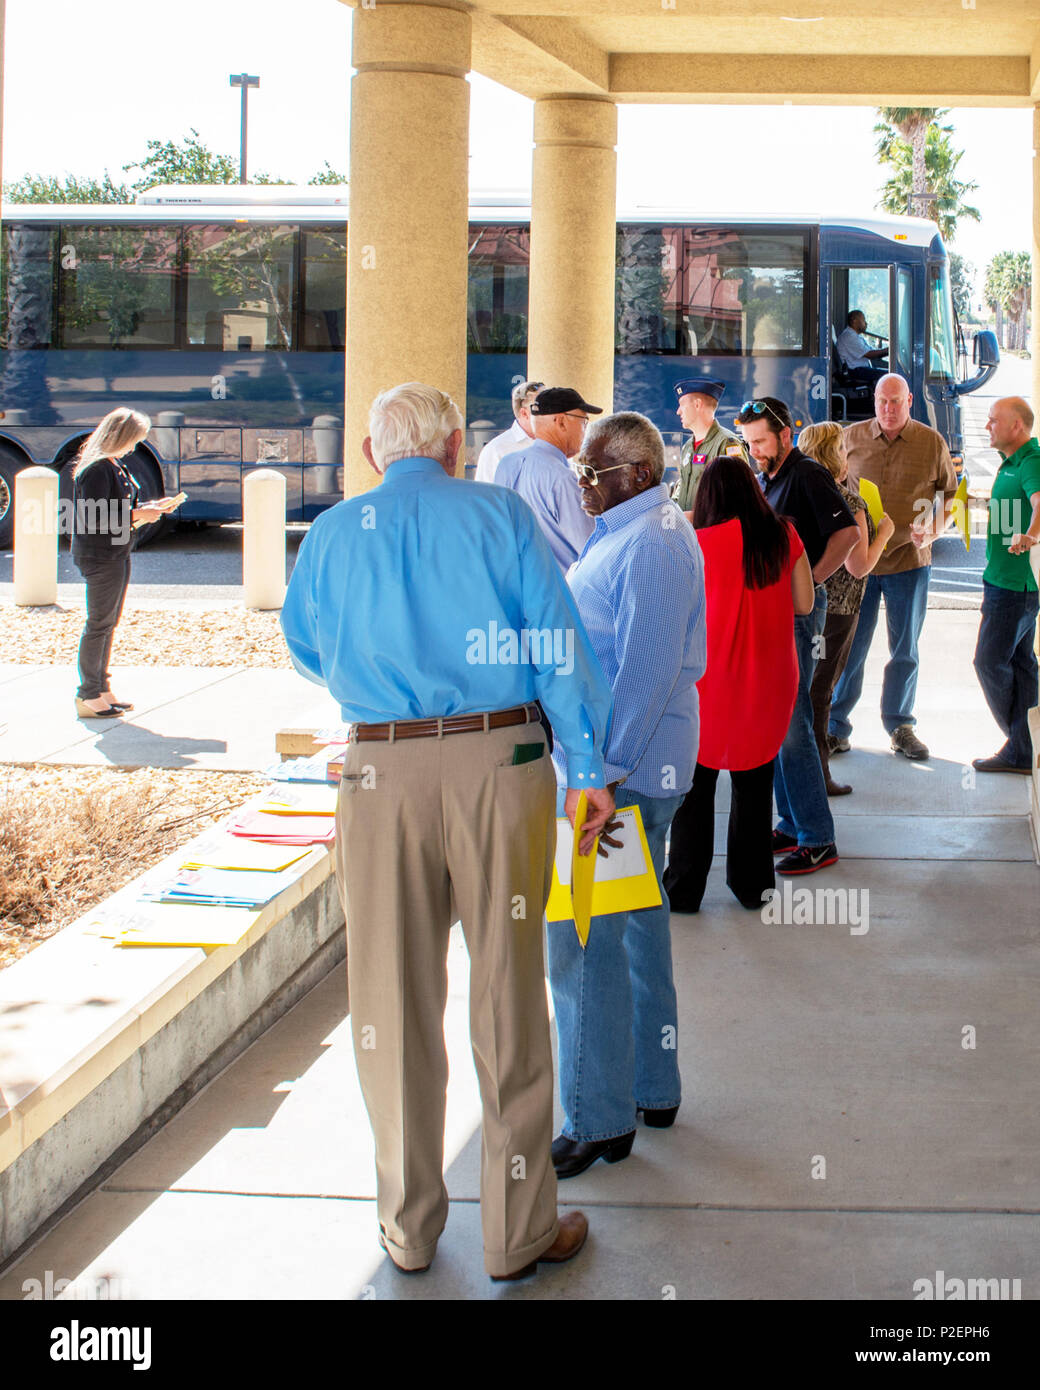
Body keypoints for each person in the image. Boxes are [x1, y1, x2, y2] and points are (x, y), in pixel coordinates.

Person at [280, 382, 615, 1282]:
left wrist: (381, 683)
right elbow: (557, 645)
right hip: (498, 766)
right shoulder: (500, 515)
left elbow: (307, 646)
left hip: (378, 771)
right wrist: (587, 771)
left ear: (368, 453)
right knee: (508, 994)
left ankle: (409, 1229)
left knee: (388, 1006)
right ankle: (516, 1231)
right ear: (456, 451)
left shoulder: (331, 533)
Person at [546, 412, 706, 1178]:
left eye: (593, 470)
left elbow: (643, 677)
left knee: (583, 943)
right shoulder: (638, 529)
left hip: (623, 782)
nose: (581, 480)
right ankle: (650, 1088)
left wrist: (598, 777)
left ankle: (599, 1116)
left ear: (638, 473)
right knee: (636, 930)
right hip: (634, 776)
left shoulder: (650, 543)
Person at [664, 455, 814, 913]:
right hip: (768, 680)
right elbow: (805, 604)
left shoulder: (695, 543)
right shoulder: (784, 535)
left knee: (694, 791)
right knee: (754, 787)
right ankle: (753, 887)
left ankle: (685, 888)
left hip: (708, 684)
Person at [735, 397, 858, 876]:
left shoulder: (807, 473)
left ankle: (817, 838)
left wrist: (810, 585)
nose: (755, 451)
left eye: (761, 441)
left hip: (800, 614)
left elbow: (846, 534)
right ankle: (791, 822)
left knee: (793, 722)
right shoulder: (768, 475)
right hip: (780, 611)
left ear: (786, 434)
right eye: (749, 443)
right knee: (781, 717)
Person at [829, 374, 959, 762]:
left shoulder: (931, 442)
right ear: (874, 401)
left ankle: (900, 726)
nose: (888, 409)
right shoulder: (849, 439)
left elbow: (951, 499)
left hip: (909, 561)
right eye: (882, 401)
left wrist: (934, 531)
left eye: (896, 402)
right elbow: (832, 487)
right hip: (859, 564)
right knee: (849, 647)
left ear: (910, 403)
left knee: (904, 649)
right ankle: (836, 727)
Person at [798, 421, 895, 796]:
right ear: (834, 454)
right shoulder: (848, 502)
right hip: (836, 611)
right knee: (821, 692)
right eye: (842, 449)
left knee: (805, 688)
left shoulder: (797, 494)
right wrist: (883, 533)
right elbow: (859, 565)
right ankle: (818, 776)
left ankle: (802, 771)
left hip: (802, 605)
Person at [70, 408, 178, 718]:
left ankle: (100, 688)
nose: (136, 446)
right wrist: (136, 516)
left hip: (115, 551)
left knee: (107, 623)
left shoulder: (113, 465)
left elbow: (115, 507)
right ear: (121, 436)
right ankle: (88, 693)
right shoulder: (97, 469)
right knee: (98, 623)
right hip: (100, 553)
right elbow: (94, 517)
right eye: (134, 439)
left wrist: (149, 507)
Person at [971, 396, 1040, 774]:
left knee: (988, 662)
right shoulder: (1010, 463)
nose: (988, 426)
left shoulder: (1031, 461)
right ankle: (1025, 748)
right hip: (1004, 581)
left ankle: (1019, 742)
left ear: (1017, 426)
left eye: (994, 420)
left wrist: (1030, 535)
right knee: (1022, 664)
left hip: (1013, 587)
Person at [495, 386, 599, 572]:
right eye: (584, 421)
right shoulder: (563, 478)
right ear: (561, 422)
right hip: (558, 592)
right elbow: (591, 550)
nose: (586, 430)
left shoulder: (507, 464)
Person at [671, 376, 748, 513]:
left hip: (714, 532)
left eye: (682, 404)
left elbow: (739, 498)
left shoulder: (727, 443)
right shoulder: (688, 447)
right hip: (689, 532)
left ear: (697, 404)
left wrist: (697, 517)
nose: (678, 411)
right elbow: (682, 488)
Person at [474, 378, 544, 483]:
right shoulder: (496, 450)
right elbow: (485, 495)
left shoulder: (557, 444)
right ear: (524, 413)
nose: (550, 413)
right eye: (542, 408)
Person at [835, 310, 888, 386]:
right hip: (855, 371)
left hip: (860, 370)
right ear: (854, 321)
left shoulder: (856, 336)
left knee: (888, 373)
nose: (866, 323)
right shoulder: (849, 336)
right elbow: (869, 354)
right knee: (889, 375)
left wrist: (886, 351)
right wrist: (888, 350)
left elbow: (872, 351)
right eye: (863, 320)